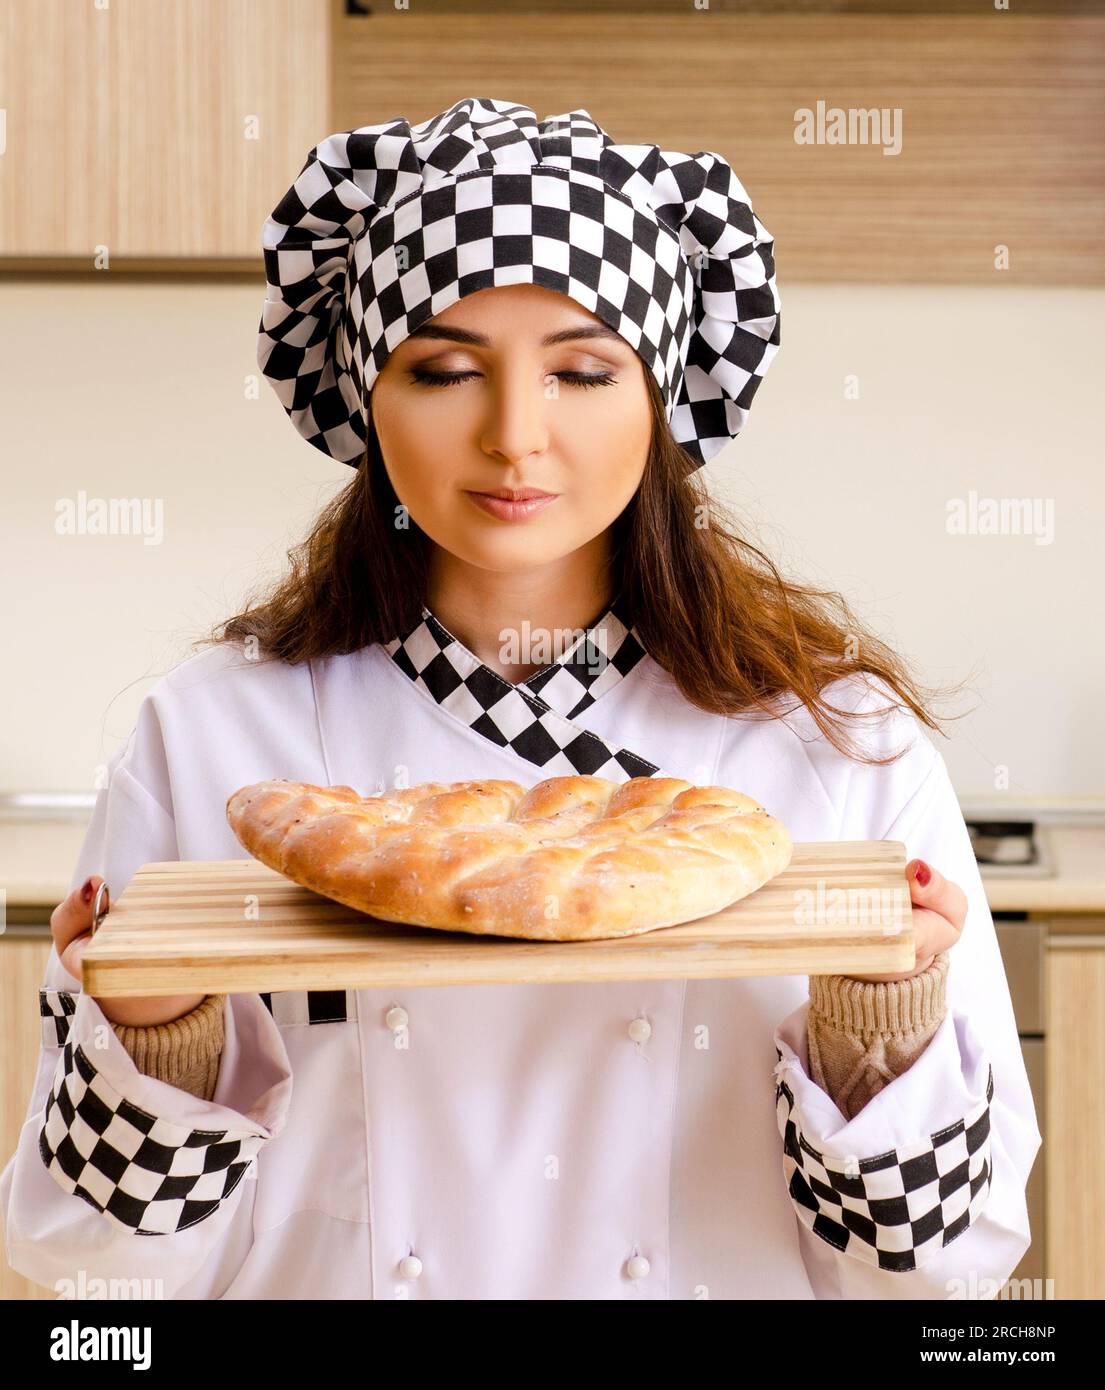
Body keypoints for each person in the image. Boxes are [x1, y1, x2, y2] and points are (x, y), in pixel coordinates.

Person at [1, 98, 1040, 1300]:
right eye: (444, 368)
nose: (514, 437)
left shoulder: (832, 745)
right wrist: (154, 1039)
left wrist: (881, 1039)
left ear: (657, 403)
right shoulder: (216, 734)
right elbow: (100, 1278)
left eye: (582, 370)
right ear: (364, 398)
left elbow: (942, 1284)